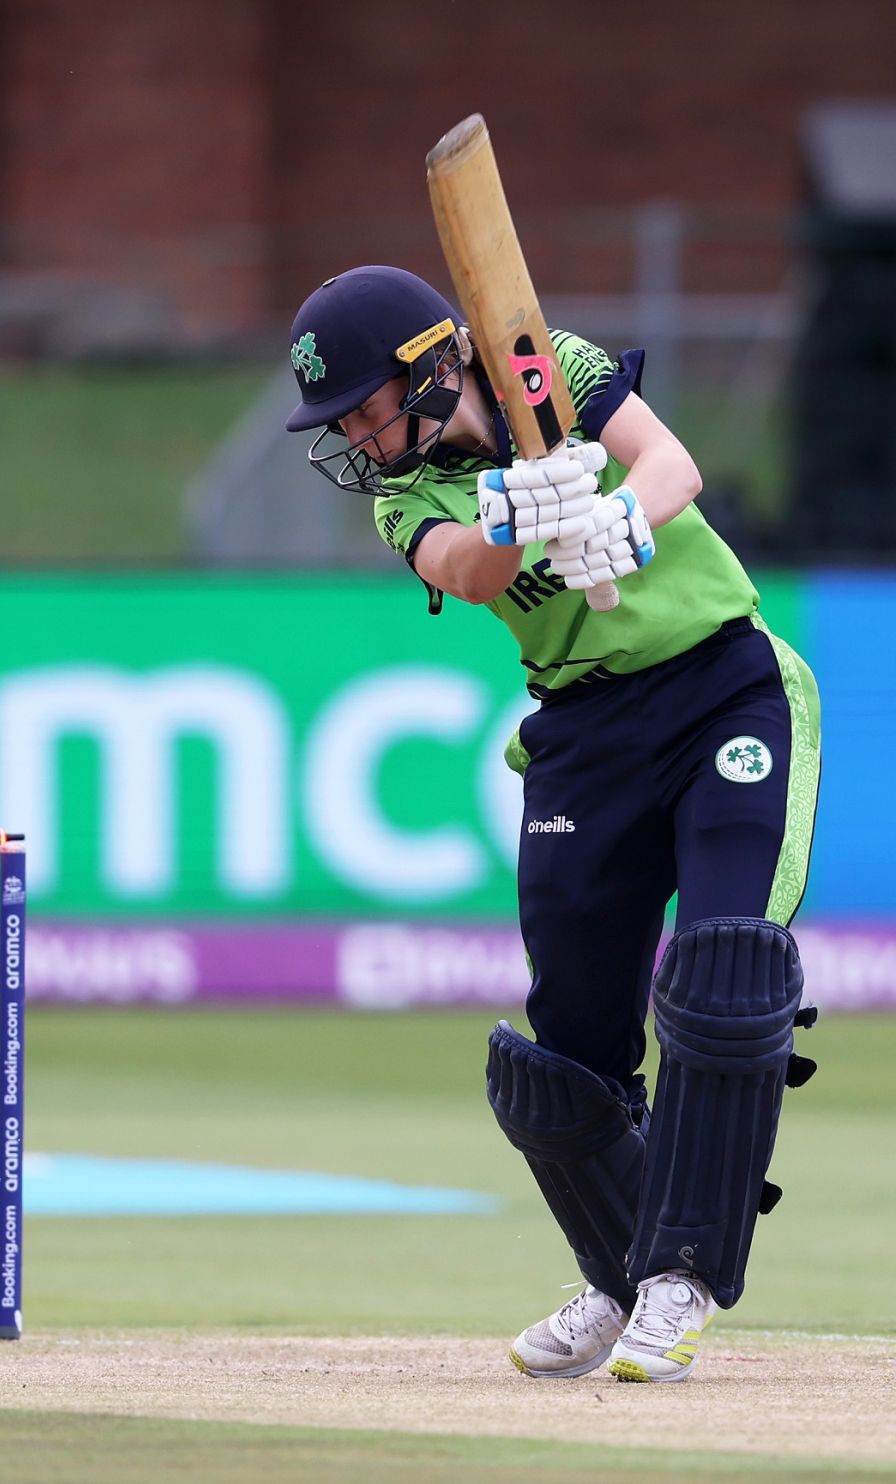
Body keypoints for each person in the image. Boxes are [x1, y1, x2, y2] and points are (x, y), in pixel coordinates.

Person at [285, 265, 821, 1383]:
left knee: (725, 976)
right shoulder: (408, 496)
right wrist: (523, 515)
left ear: (429, 368)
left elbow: (675, 462)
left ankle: (678, 1273)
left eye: (364, 410)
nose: (356, 440)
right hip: (585, 731)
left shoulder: (543, 362)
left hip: (723, 686)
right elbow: (468, 573)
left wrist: (619, 511)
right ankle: (619, 1269)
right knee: (564, 1053)